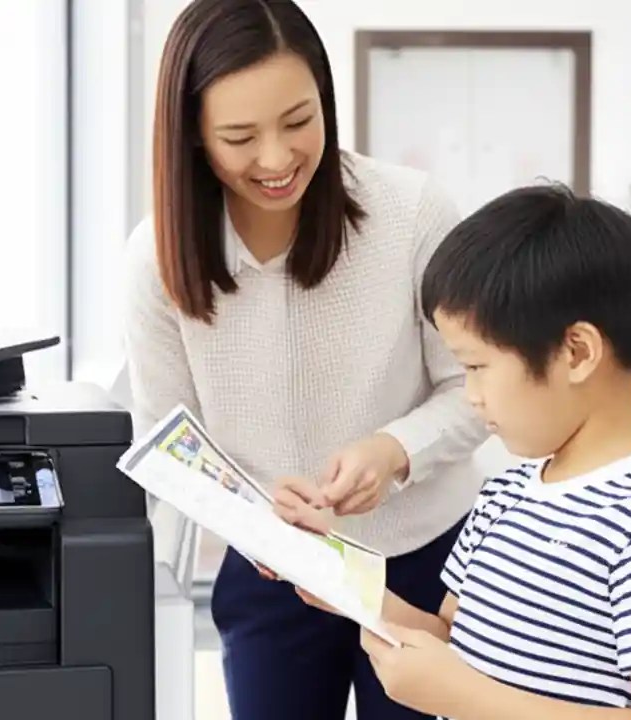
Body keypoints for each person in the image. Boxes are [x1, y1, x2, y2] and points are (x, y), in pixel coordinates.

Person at [123, 0, 489, 717]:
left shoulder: (411, 213)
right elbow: (168, 442)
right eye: (239, 136)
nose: (276, 158)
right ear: (193, 136)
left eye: (298, 121)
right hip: (274, 573)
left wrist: (394, 450)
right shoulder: (157, 259)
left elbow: (473, 390)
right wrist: (257, 522)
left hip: (423, 559)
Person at [280, 185, 631, 719]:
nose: (470, 395)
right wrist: (341, 580)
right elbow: (453, 637)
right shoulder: (505, 494)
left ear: (576, 352)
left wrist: (467, 699)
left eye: (477, 366)